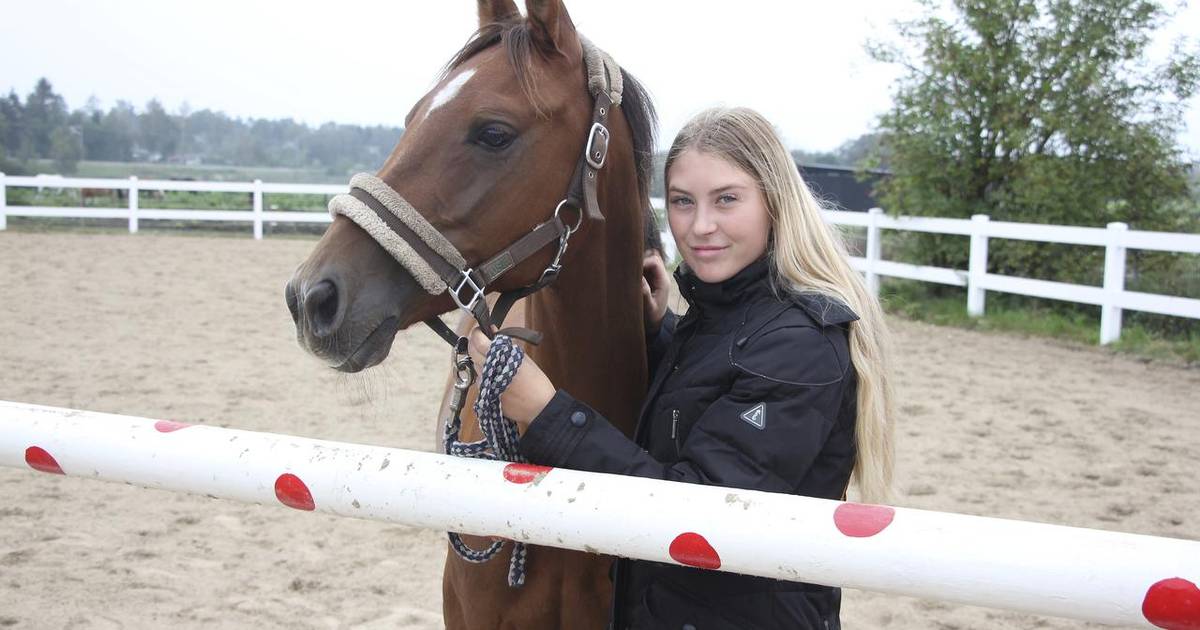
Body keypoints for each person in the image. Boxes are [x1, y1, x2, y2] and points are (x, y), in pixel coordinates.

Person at [468, 107, 895, 629]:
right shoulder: (727, 312)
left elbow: (699, 510)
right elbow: (716, 390)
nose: (700, 227)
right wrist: (659, 331)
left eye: (727, 199)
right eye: (681, 202)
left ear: (774, 201)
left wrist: (546, 412)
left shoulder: (801, 342)